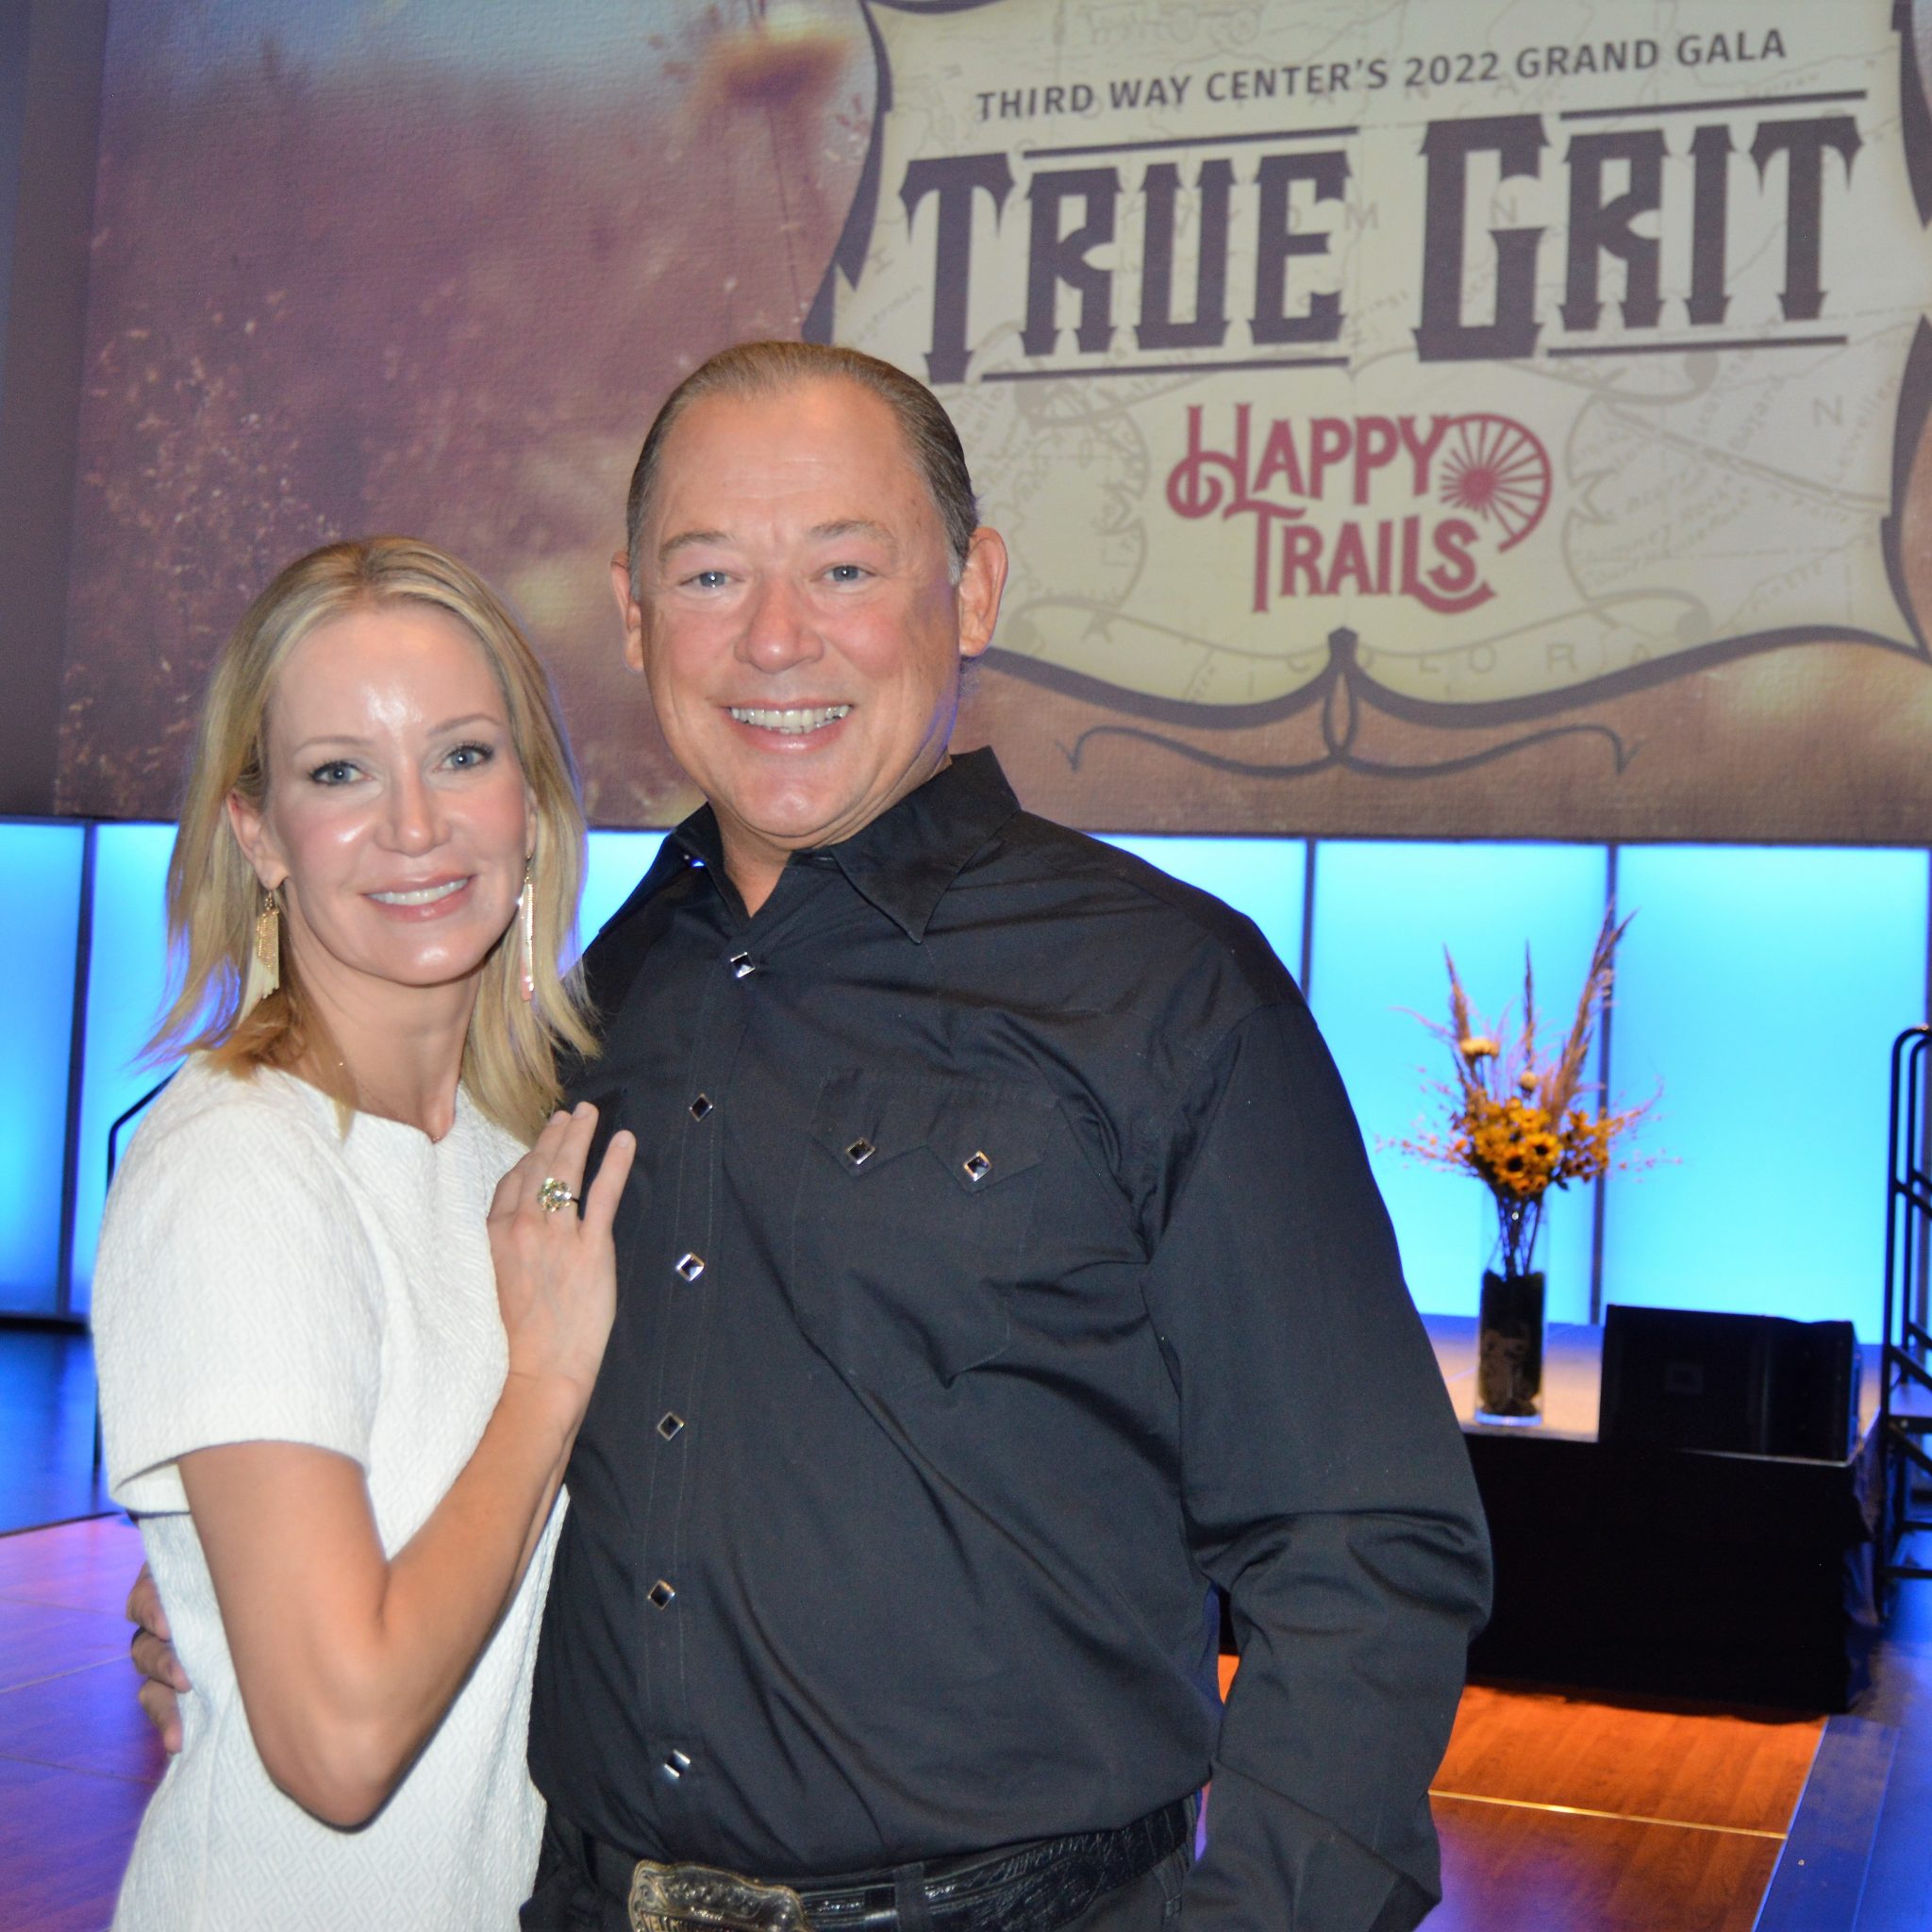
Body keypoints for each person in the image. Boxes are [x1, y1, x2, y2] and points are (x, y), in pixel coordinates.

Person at [133, 348, 1491, 1930]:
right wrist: (231, 1620)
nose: (777, 639)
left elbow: (1363, 1543)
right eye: (711, 575)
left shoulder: (1167, 994)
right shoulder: (590, 1014)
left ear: (973, 589)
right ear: (636, 619)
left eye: (846, 567)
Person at [95, 536, 636, 1930]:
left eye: (462, 755)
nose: (415, 826)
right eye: (340, 771)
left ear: (532, 806)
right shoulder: (239, 1160)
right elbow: (336, 1748)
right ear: (259, 832)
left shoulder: (515, 1153)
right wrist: (549, 1384)